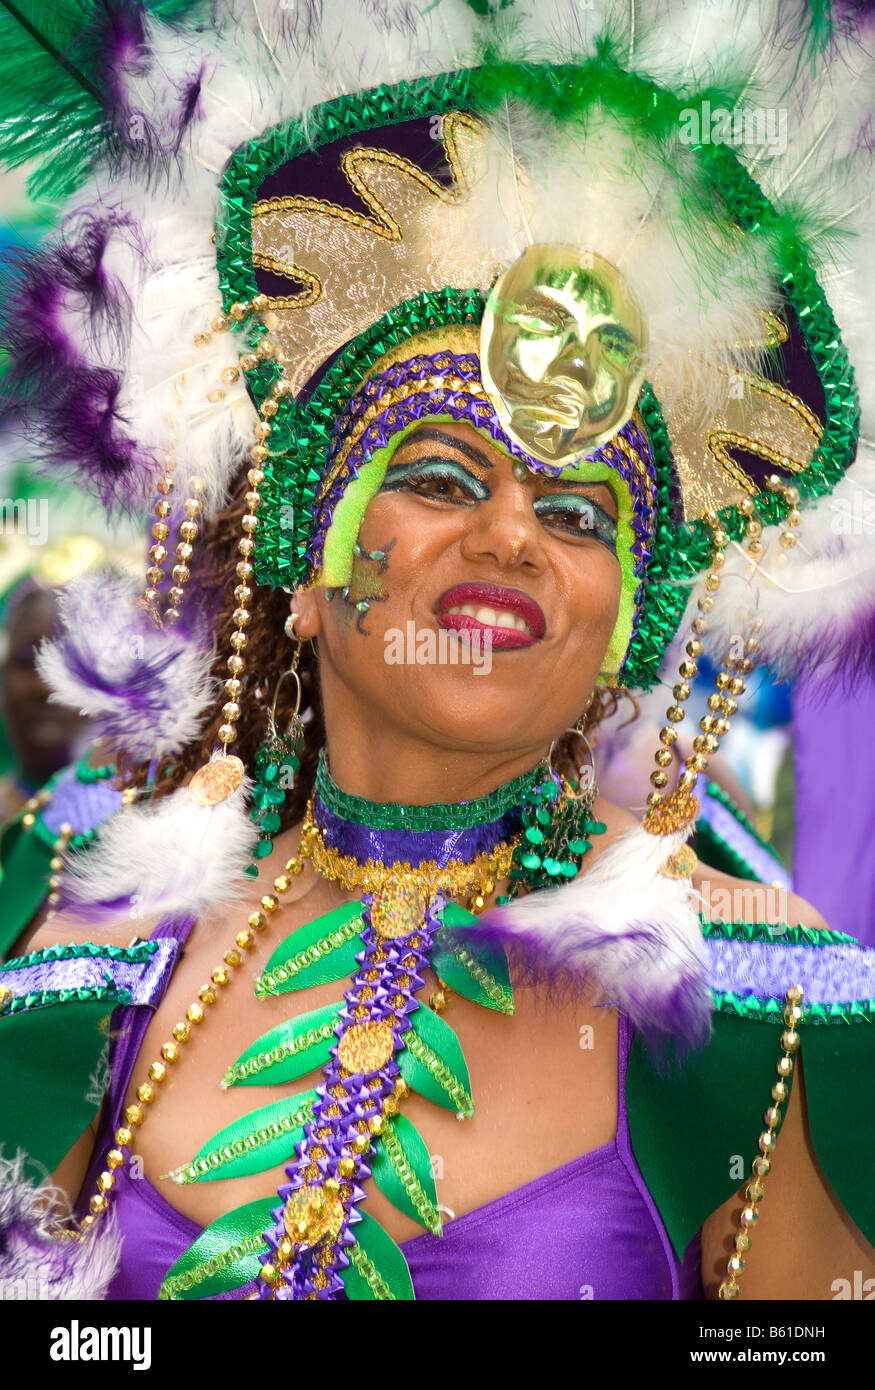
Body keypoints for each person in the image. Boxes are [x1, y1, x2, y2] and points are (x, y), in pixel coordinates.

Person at [1, 0, 874, 1303]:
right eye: (440, 472)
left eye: (578, 511)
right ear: (304, 567)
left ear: (623, 626)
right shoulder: (88, 922)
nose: (512, 533)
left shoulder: (767, 1013)